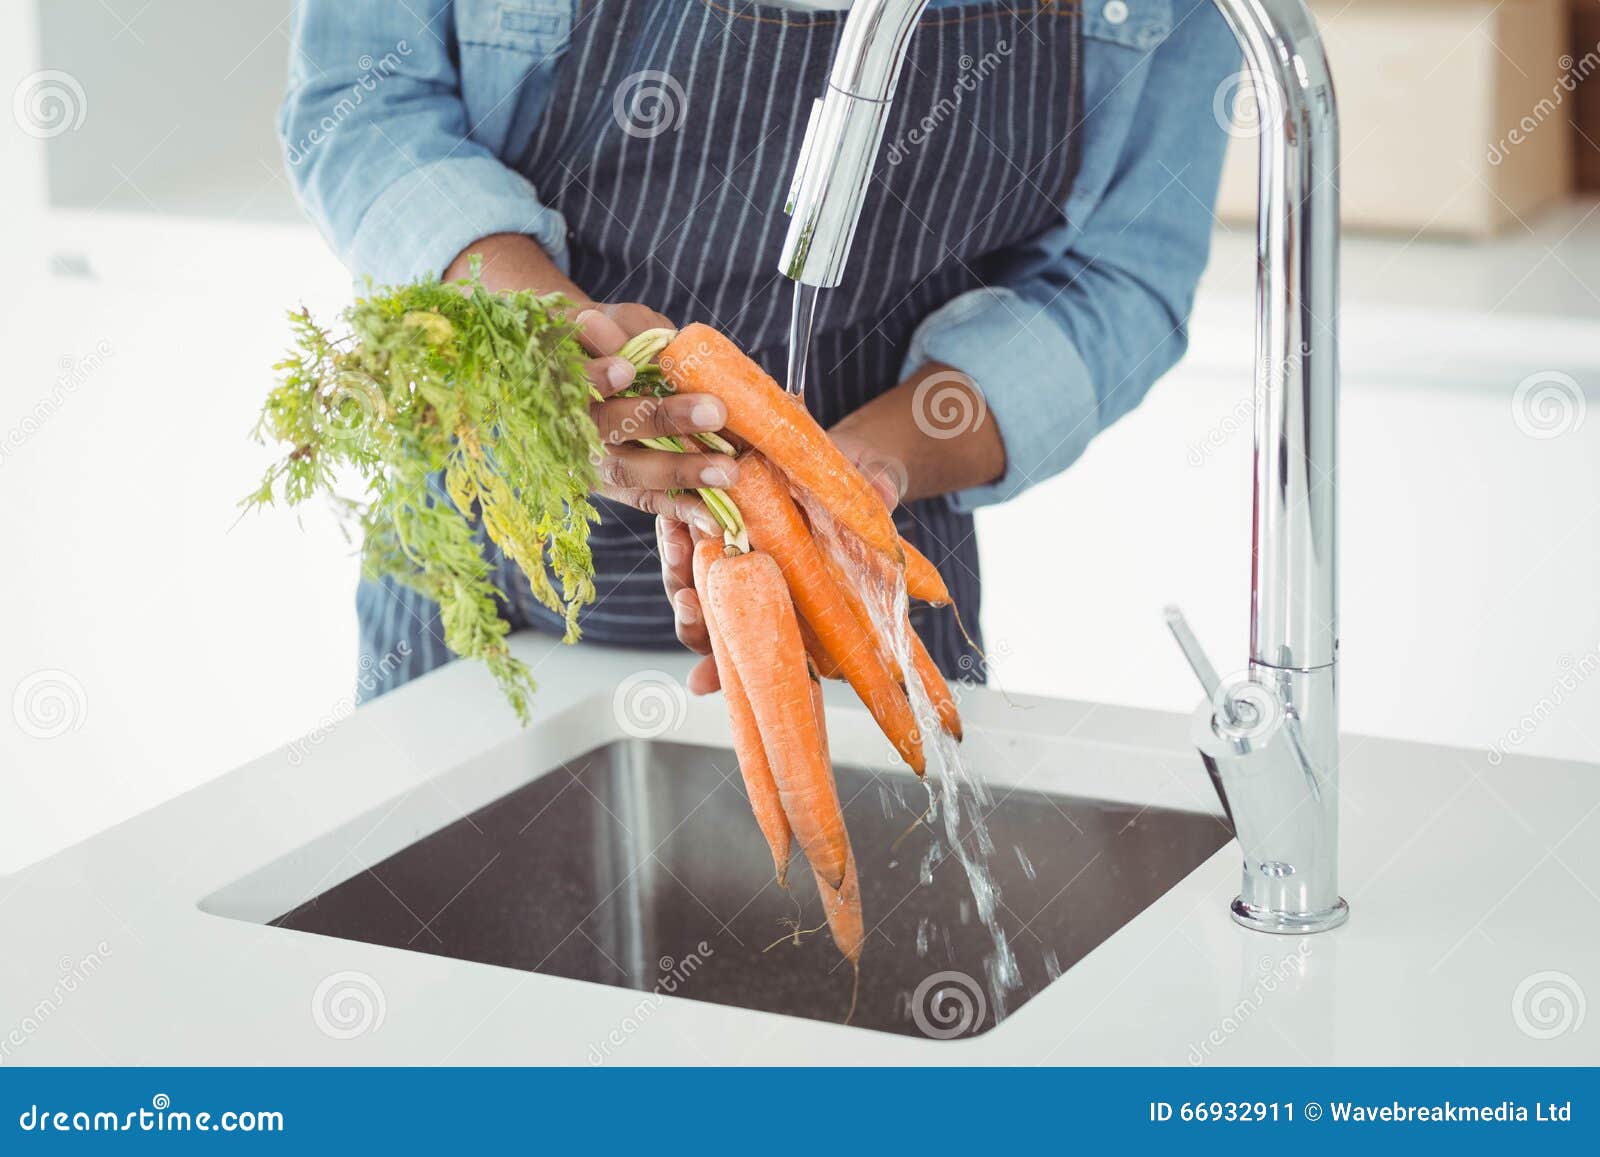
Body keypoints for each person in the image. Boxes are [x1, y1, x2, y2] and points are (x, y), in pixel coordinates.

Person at [280, 0, 1238, 699]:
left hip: (867, 578)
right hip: (484, 585)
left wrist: (851, 477)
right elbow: (366, 108)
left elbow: (1122, 272)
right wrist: (552, 349)